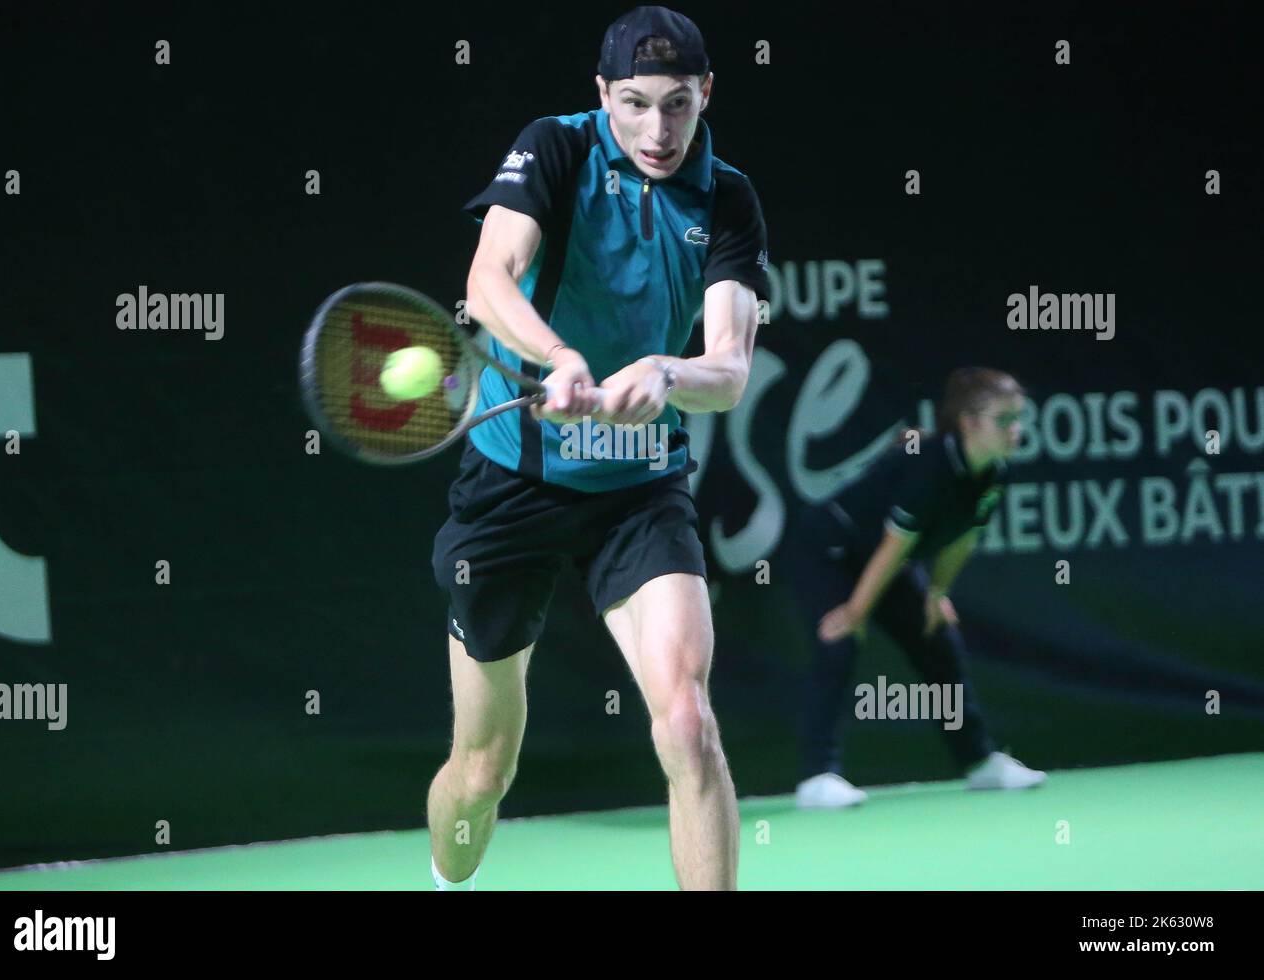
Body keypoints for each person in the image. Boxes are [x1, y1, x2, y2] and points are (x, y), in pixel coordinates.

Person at [427, 6, 770, 889]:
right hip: (514, 483)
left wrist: (667, 370)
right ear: (601, 96)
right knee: (481, 772)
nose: (658, 129)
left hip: (640, 490)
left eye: (679, 105)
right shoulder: (556, 149)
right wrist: (561, 356)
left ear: (706, 94)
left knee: (690, 723)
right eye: (635, 103)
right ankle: (444, 876)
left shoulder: (726, 196)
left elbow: (728, 369)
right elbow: (487, 275)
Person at [792, 367, 1047, 808]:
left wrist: (936, 594)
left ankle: (980, 762)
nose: (1015, 430)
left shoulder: (994, 473)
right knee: (840, 642)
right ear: (969, 422)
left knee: (937, 637)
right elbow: (897, 545)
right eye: (1004, 420)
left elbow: (962, 537)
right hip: (825, 549)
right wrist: (856, 612)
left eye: (1018, 418)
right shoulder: (929, 466)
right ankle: (818, 778)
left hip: (882, 559)